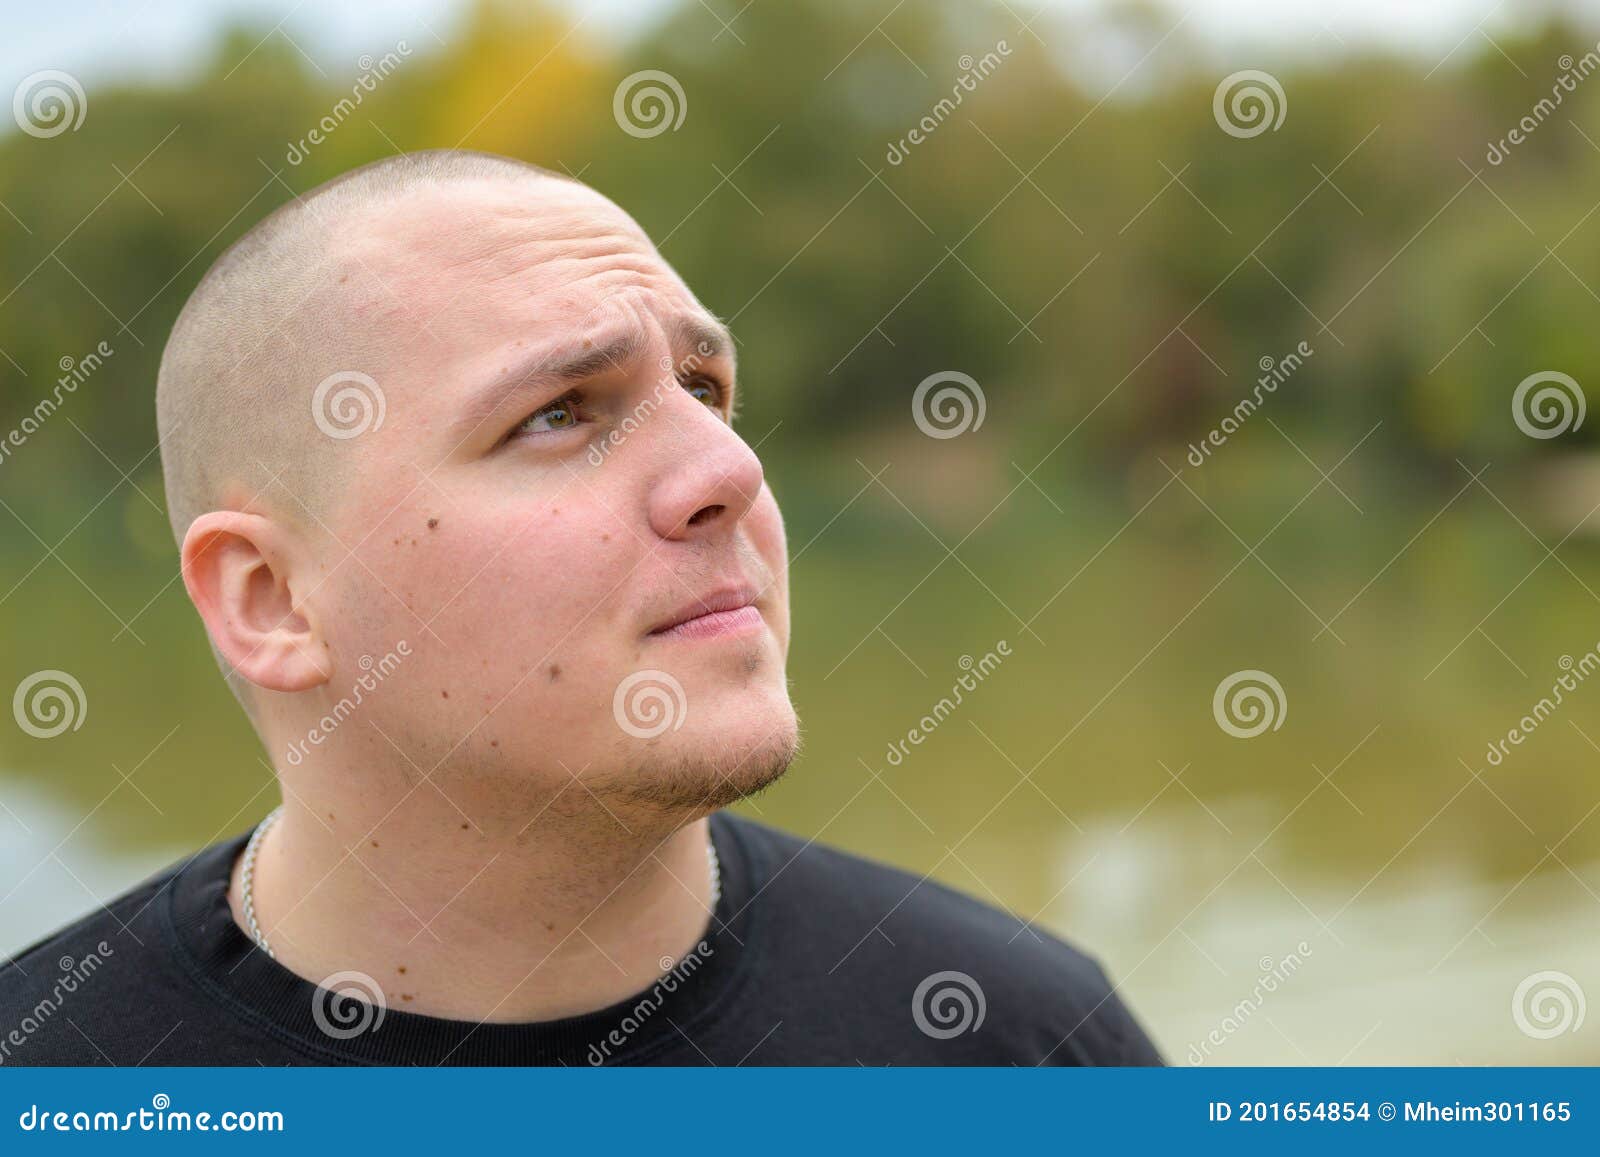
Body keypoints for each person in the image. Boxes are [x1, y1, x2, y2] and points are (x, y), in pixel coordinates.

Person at [0, 150, 1161, 1066]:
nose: (730, 468)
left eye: (704, 387)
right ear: (273, 601)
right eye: (558, 413)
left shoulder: (1016, 1045)